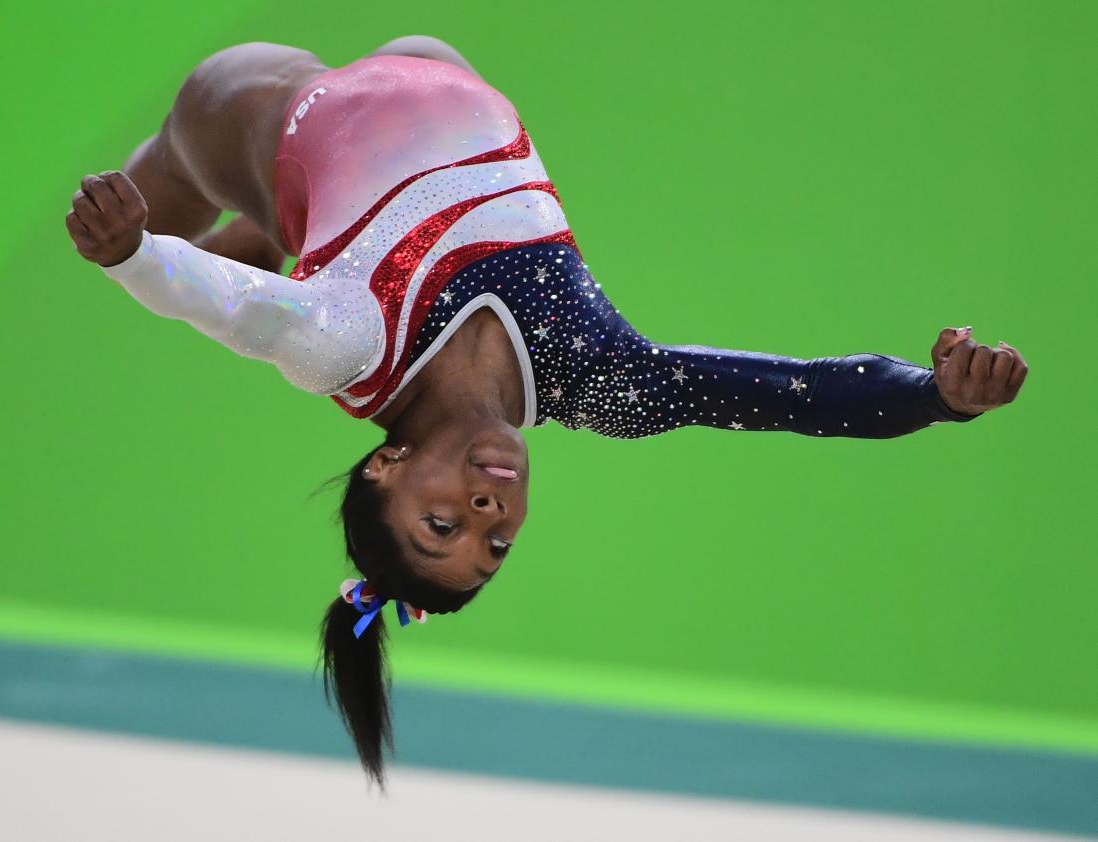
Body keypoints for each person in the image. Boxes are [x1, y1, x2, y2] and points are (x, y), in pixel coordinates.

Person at [63, 38, 1029, 786]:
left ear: (384, 467)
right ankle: (282, 234)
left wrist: (131, 253)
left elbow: (230, 308)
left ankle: (255, 225)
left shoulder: (344, 342)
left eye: (443, 524)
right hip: (432, 74)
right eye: (495, 543)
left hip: (259, 120)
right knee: (344, 166)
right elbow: (780, 396)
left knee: (142, 208)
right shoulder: (598, 379)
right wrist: (933, 397)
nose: (489, 513)